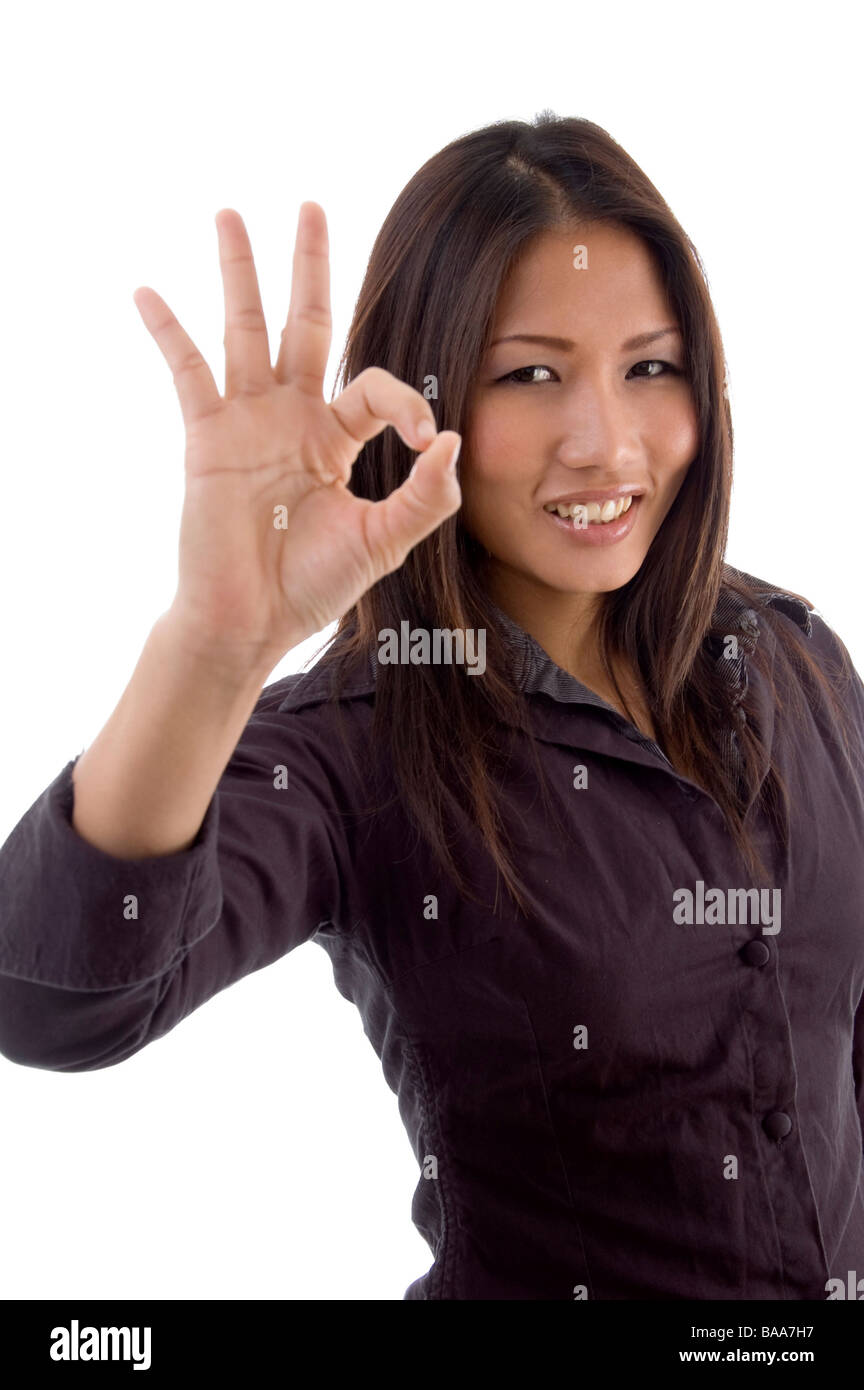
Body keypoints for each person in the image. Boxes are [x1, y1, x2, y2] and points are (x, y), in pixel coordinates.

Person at [1, 113, 863, 1301]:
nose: (606, 443)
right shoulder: (358, 744)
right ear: (422, 399)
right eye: (531, 374)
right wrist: (214, 640)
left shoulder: (792, 660)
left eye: (650, 367)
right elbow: (51, 1000)